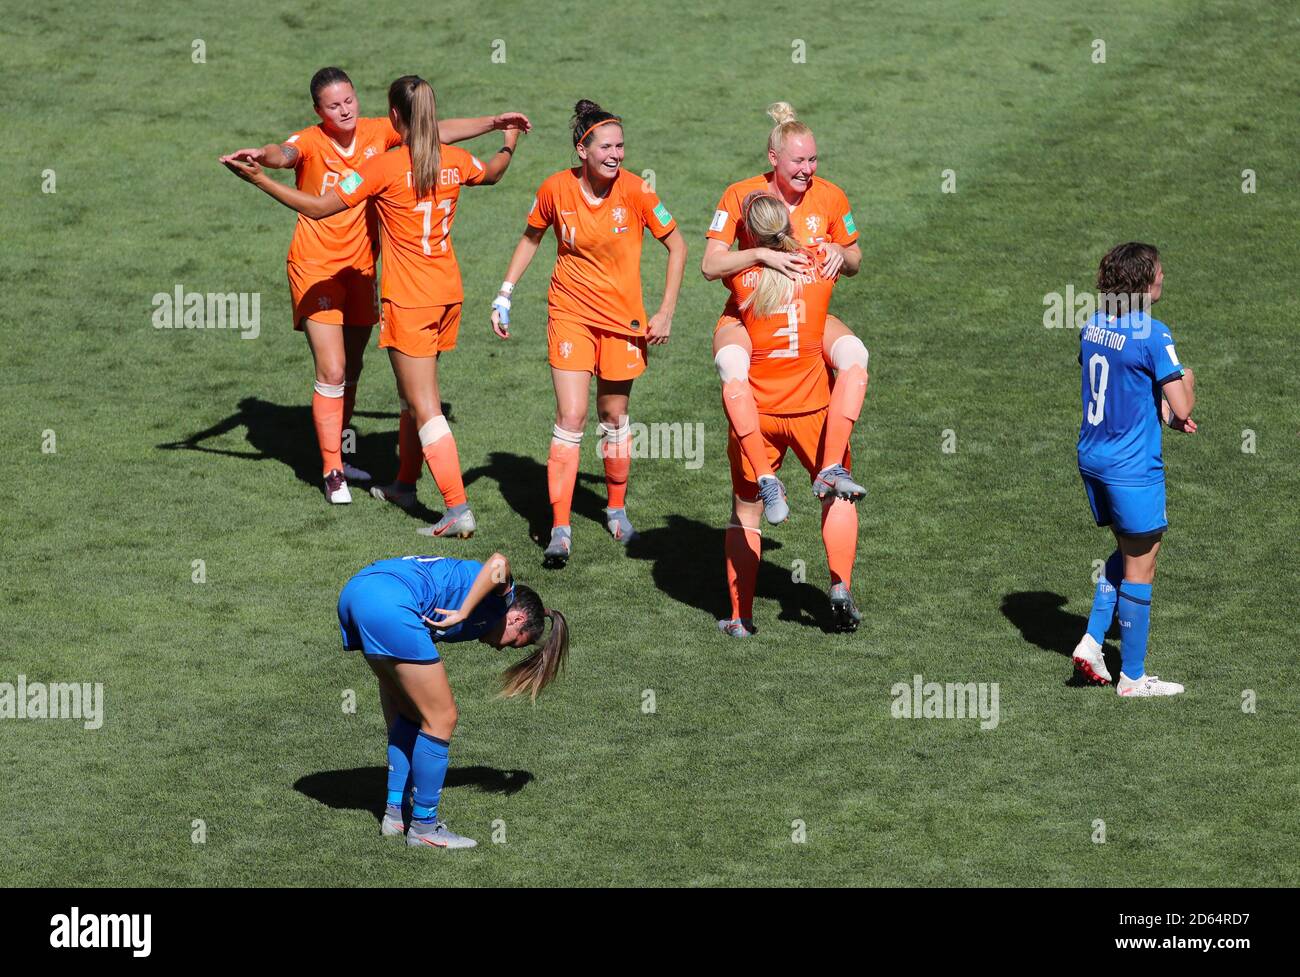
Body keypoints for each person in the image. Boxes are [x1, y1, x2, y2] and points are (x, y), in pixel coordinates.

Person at [222, 75, 521, 537]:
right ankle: (392, 481)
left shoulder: (383, 163)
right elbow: (494, 171)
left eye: (351, 100)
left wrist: (259, 181)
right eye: (333, 104)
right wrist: (507, 139)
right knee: (389, 389)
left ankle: (457, 507)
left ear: (396, 119)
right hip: (441, 291)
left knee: (422, 403)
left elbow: (322, 207)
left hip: (404, 294)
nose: (345, 109)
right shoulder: (454, 161)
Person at [489, 99, 687, 566]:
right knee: (572, 416)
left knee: (613, 417)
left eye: (621, 145)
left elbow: (677, 246)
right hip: (570, 313)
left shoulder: (638, 191)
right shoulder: (556, 189)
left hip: (623, 321)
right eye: (607, 146)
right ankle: (560, 528)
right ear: (583, 149)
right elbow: (532, 237)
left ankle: (615, 509)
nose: (617, 154)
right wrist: (505, 292)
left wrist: (666, 312)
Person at [701, 102, 871, 526]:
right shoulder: (740, 195)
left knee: (855, 355)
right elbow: (710, 265)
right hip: (751, 314)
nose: (808, 169)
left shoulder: (830, 196)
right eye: (799, 160)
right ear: (774, 158)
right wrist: (760, 254)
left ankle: (831, 467)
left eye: (813, 159)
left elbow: (855, 260)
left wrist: (839, 252)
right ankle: (765, 477)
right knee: (732, 364)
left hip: (809, 316)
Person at [338, 552, 568, 848]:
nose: (501, 650)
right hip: (390, 600)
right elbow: (499, 563)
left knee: (412, 713)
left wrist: (399, 729)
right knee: (443, 718)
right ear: (516, 618)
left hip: (357, 594)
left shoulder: (455, 604)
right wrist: (463, 612)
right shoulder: (500, 600)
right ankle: (424, 828)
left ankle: (394, 816)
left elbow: (392, 686)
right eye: (512, 643)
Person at [716, 193, 864, 636]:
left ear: (751, 233)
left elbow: (712, 267)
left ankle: (741, 619)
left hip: (757, 416)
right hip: (815, 412)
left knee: (745, 512)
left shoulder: (743, 277)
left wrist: (756, 252)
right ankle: (839, 587)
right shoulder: (820, 263)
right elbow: (847, 260)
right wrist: (831, 248)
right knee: (836, 497)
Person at [1071, 242, 1196, 696]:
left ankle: (1090, 641)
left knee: (1127, 552)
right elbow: (1182, 408)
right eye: (1159, 272)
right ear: (1143, 282)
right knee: (1143, 563)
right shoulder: (1153, 333)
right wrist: (1186, 383)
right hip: (1132, 467)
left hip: (1094, 458)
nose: (1164, 277)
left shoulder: (1092, 326)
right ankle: (1133, 678)